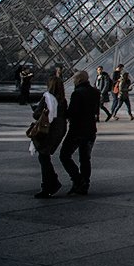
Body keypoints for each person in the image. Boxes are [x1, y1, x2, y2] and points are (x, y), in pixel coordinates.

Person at [60, 70, 99, 195]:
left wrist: (62, 112)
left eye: (74, 78)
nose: (73, 80)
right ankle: (85, 183)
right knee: (85, 159)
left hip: (77, 131)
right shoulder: (95, 92)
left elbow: (72, 113)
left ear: (79, 79)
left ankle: (77, 179)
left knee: (64, 155)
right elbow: (95, 111)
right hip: (90, 130)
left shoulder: (77, 93)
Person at [32, 70, 67, 198]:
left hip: (47, 130)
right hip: (59, 130)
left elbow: (37, 114)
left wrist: (36, 110)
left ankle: (49, 185)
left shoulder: (47, 97)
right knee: (45, 157)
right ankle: (52, 183)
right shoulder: (62, 100)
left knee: (43, 158)